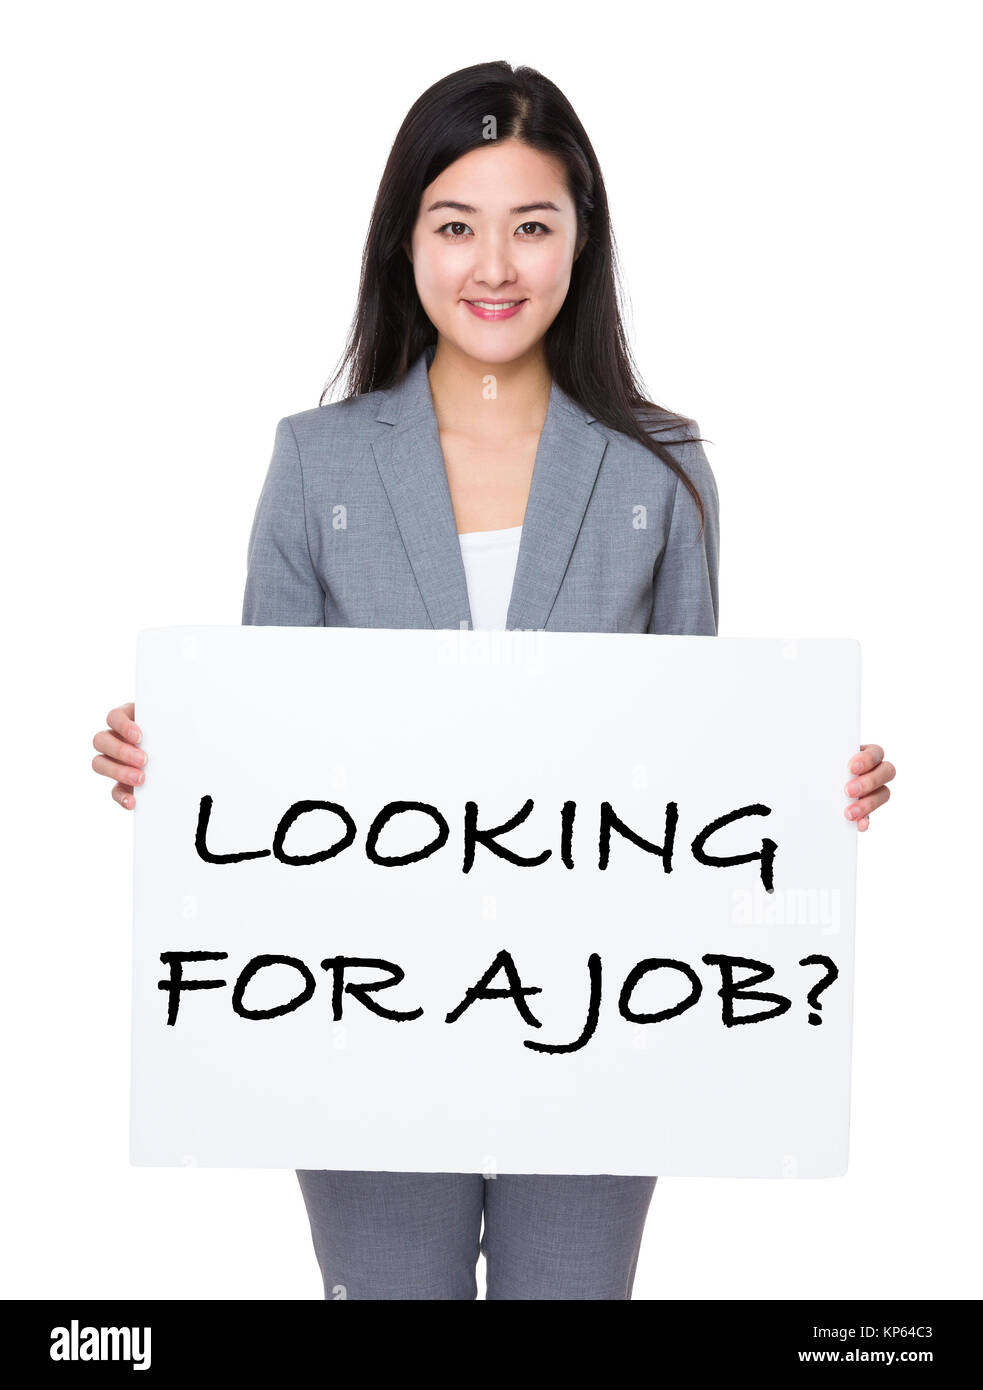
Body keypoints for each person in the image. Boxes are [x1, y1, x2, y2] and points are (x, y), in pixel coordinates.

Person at [90, 60, 896, 1300]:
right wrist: (181, 752)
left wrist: (805, 793)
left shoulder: (657, 473)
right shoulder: (314, 466)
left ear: (582, 236)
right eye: (455, 226)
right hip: (358, 1024)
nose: (494, 266)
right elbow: (262, 752)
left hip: (601, 1023)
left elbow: (693, 762)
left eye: (531, 226)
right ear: (404, 241)